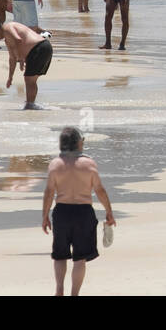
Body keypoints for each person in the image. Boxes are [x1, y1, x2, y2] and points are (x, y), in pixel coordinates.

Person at [43, 126, 115, 296]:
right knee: (80, 258)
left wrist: (45, 216)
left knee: (60, 255)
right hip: (83, 213)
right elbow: (100, 190)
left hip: (61, 212)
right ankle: (74, 294)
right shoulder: (89, 164)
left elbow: (49, 192)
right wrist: (109, 212)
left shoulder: (55, 165)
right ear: (78, 143)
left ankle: (59, 289)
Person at [0, 20, 52, 109]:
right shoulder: (7, 40)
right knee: (31, 80)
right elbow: (12, 59)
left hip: (39, 48)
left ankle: (30, 105)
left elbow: (18, 39)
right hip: (44, 47)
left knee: (29, 80)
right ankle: (30, 104)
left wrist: (21, 58)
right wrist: (10, 77)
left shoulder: (7, 28)